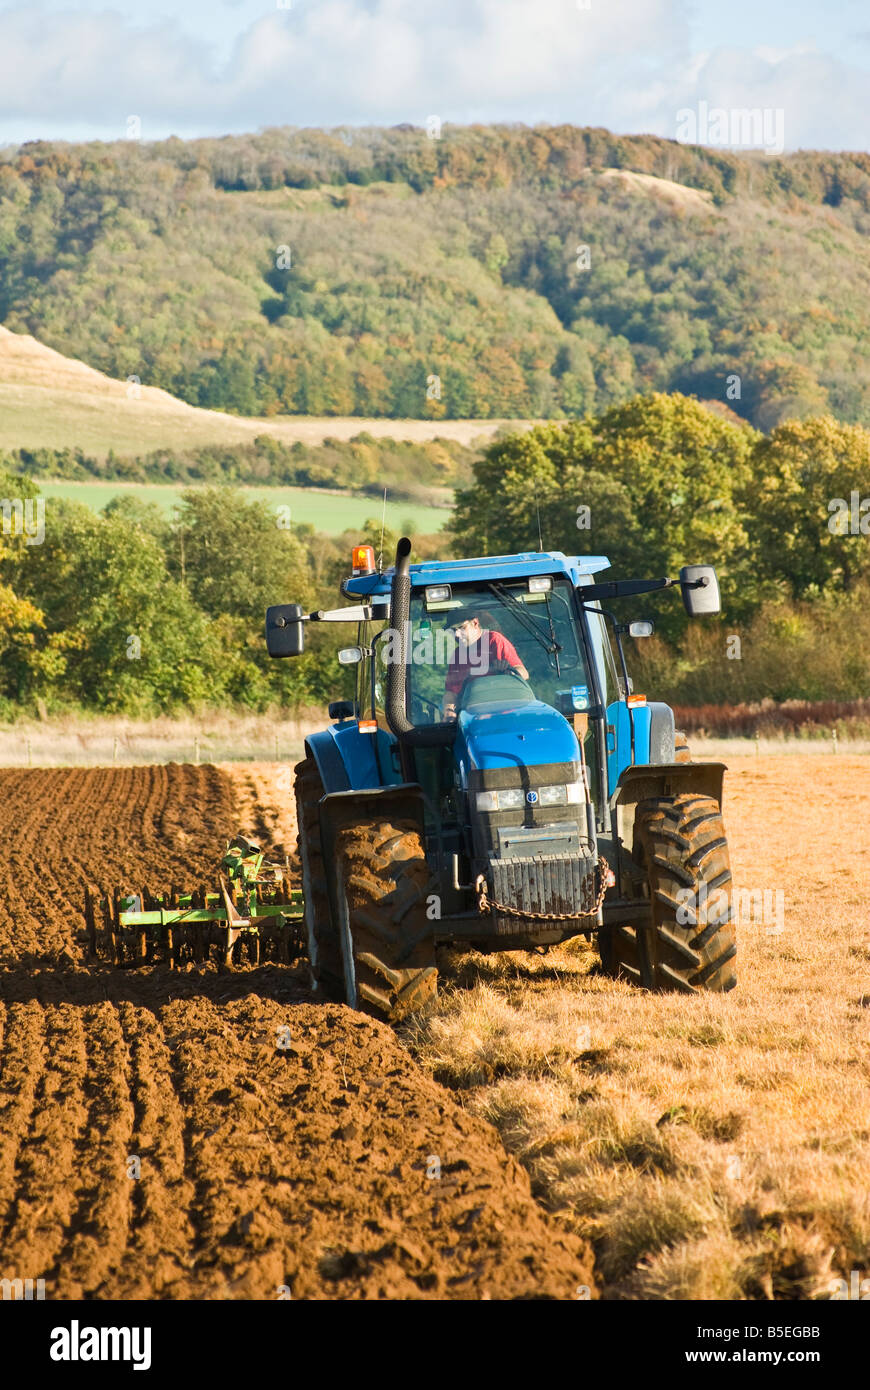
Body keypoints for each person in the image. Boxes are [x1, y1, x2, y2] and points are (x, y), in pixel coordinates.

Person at [443, 606, 529, 719]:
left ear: (475, 623)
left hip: (503, 716)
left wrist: (508, 672)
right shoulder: (458, 655)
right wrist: (448, 711)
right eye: (453, 630)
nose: (457, 634)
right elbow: (451, 692)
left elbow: (523, 673)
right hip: (471, 718)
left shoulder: (494, 640)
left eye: (461, 628)